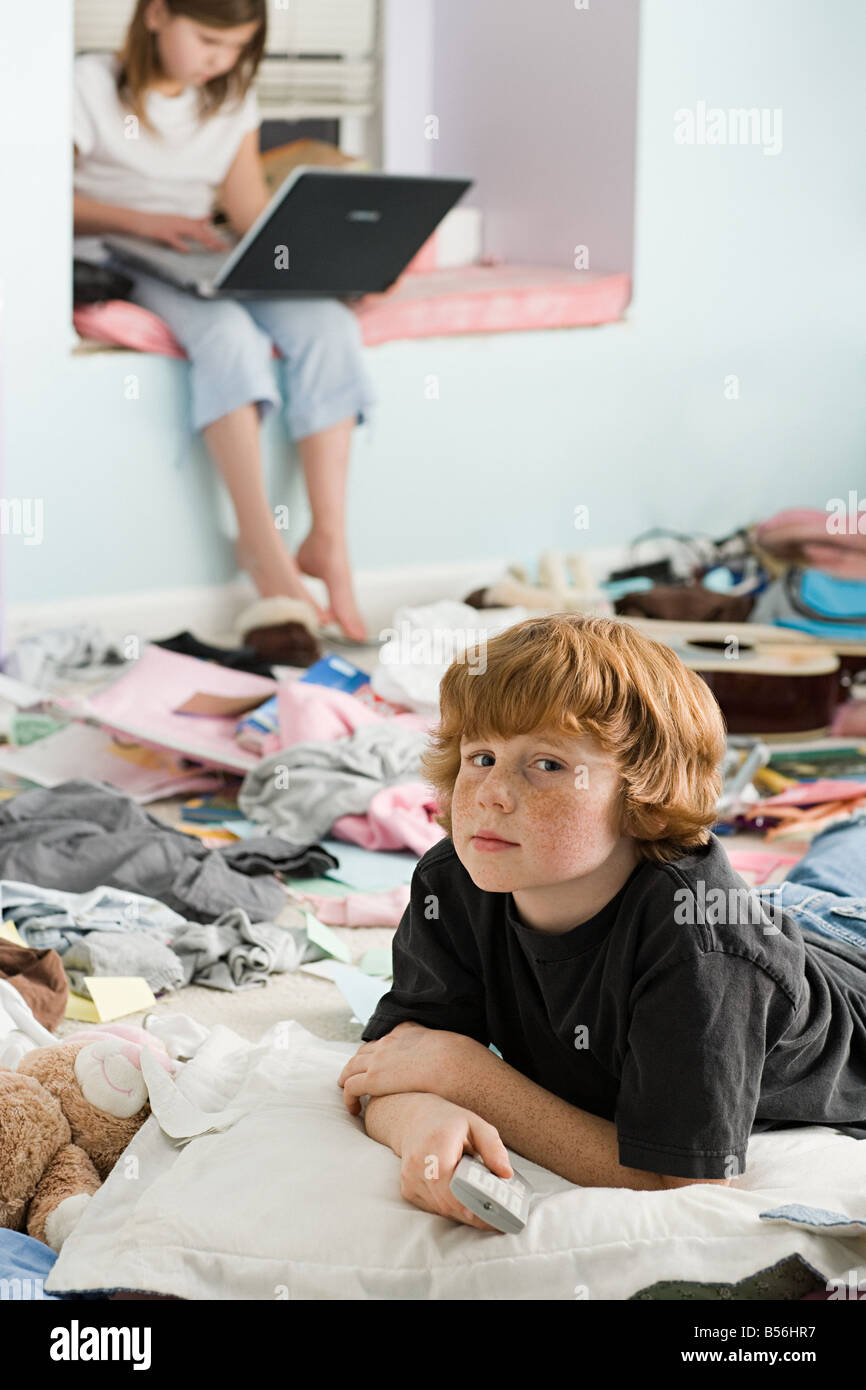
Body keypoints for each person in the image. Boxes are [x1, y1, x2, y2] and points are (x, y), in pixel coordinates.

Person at [337, 614, 866, 1230]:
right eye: (480, 756)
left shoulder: (704, 950)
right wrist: (421, 1121)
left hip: (839, 947)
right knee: (823, 876)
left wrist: (467, 1078)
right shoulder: (457, 876)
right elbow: (393, 1060)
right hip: (785, 913)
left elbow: (683, 1182)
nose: (490, 794)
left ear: (644, 793)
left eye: (548, 765)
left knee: (842, 857)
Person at [72, 0, 377, 642]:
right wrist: (144, 222)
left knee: (328, 326)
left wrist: (324, 266)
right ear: (156, 15)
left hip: (203, 249)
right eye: (210, 40)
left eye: (237, 46)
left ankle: (329, 541)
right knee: (228, 336)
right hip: (121, 252)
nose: (222, 59)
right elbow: (39, 195)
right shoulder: (88, 86)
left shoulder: (230, 96)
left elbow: (245, 206)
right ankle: (262, 550)